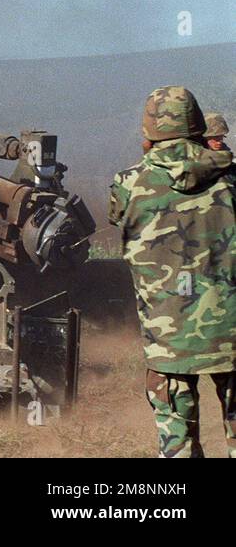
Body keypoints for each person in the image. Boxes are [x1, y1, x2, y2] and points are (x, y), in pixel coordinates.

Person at [108, 86, 236, 457]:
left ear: (148, 132)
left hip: (169, 337)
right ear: (198, 126)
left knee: (176, 440)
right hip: (232, 333)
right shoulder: (230, 177)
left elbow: (118, 217)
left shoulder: (128, 183)